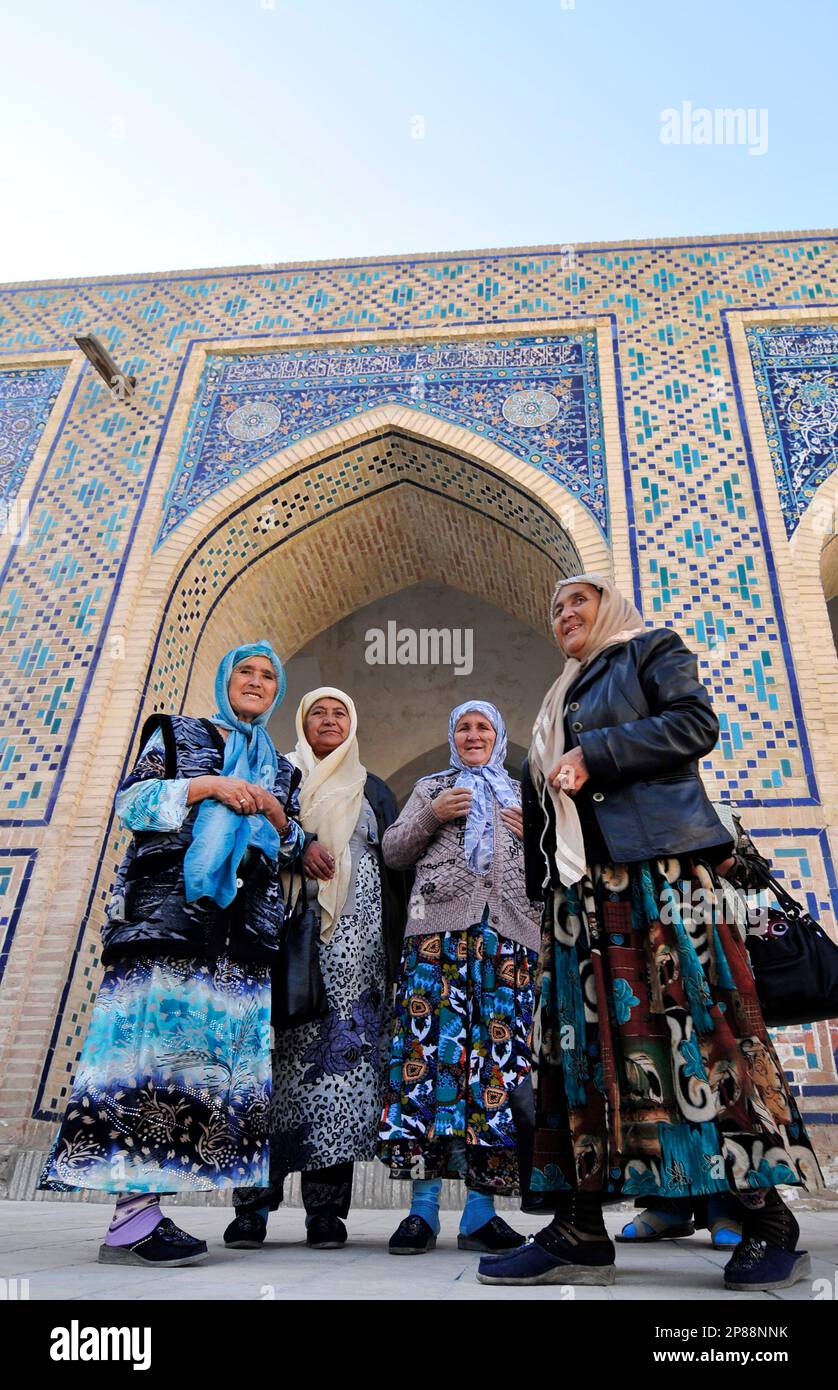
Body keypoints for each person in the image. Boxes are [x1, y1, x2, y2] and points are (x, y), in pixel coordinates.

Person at [477, 574, 821, 1292]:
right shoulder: (559, 696)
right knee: (582, 1053)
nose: (566, 613)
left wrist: (595, 754)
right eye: (556, 607)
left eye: (580, 600)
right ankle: (579, 1230)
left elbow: (695, 724)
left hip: (657, 878)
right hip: (579, 900)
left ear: (611, 608)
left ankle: (769, 1223)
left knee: (693, 1037)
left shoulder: (648, 651)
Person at [39, 642, 304, 1267]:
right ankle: (132, 1221)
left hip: (238, 941)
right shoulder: (180, 735)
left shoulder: (281, 771)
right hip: (167, 922)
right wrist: (209, 786)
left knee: (193, 1072)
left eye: (269, 677)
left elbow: (285, 852)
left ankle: (142, 1216)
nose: (257, 683)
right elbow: (132, 803)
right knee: (145, 1060)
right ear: (224, 679)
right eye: (246, 672)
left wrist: (274, 813)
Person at [225, 687, 407, 1250]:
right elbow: (249, 836)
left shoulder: (372, 788)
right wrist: (297, 846)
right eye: (318, 713)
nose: (329, 721)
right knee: (271, 1070)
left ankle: (325, 1213)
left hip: (356, 957)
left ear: (353, 725)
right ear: (302, 722)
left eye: (340, 714)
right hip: (286, 943)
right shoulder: (278, 774)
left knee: (340, 1079)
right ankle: (252, 1208)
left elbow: (397, 865)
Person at [378, 701, 544, 1255]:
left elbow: (559, 870)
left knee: (494, 1071)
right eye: (464, 727)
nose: (474, 735)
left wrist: (536, 837)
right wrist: (433, 815)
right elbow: (393, 851)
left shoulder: (523, 793)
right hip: (435, 941)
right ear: (453, 736)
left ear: (499, 736)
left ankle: (480, 1212)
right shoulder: (433, 786)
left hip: (508, 946)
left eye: (483, 727)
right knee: (429, 1064)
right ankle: (422, 1211)